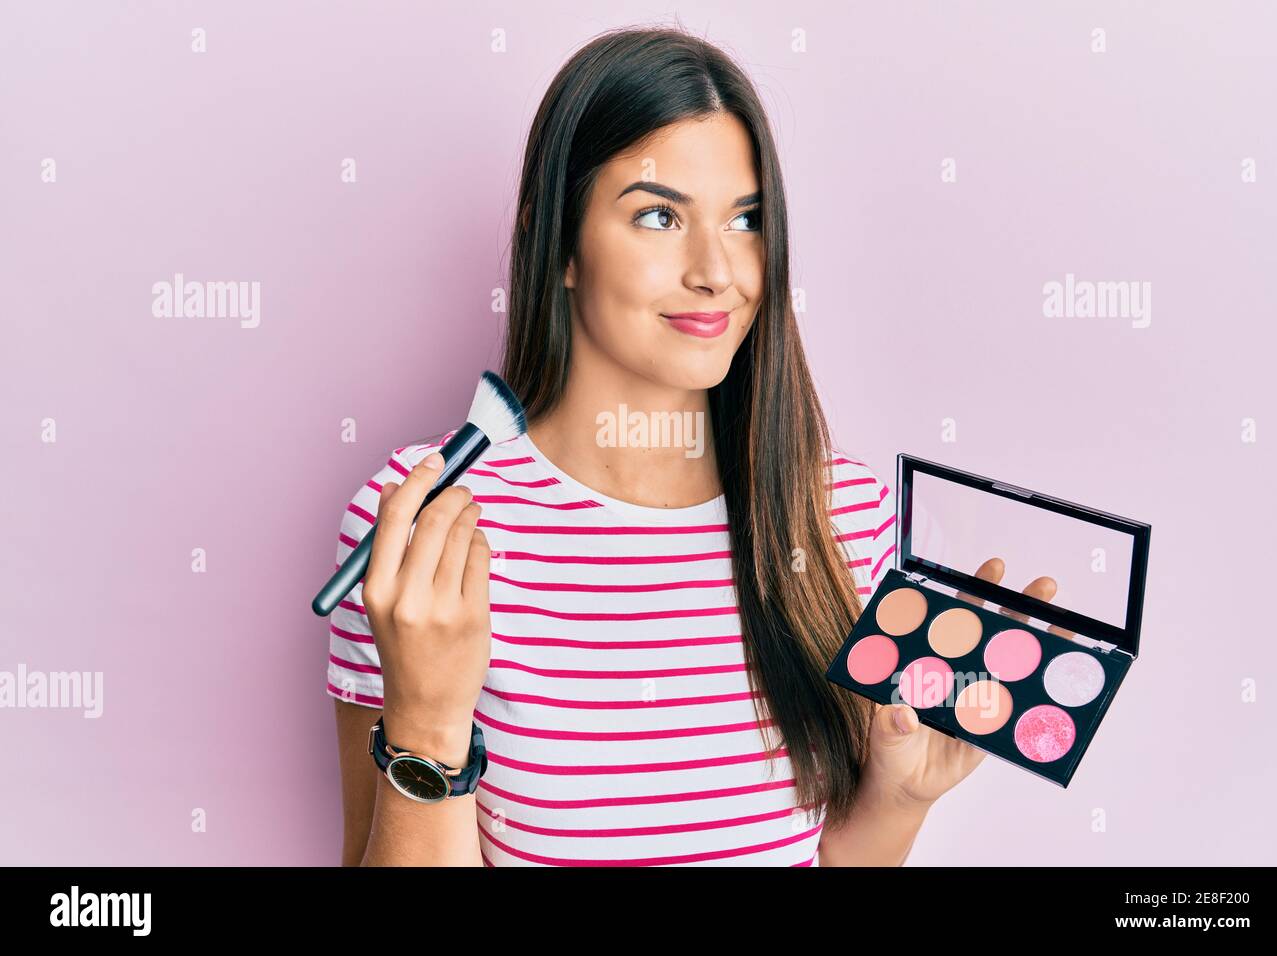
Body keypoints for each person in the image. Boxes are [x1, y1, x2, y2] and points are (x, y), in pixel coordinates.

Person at [326, 26, 987, 867]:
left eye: (745, 220)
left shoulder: (850, 521)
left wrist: (895, 804)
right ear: (558, 243)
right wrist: (424, 721)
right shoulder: (428, 531)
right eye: (659, 215)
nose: (717, 270)